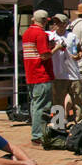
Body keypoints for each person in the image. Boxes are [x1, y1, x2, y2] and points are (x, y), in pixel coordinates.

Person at [22, 9, 55, 146]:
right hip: (41, 74)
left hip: (31, 74)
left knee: (35, 105)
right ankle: (38, 135)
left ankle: (37, 133)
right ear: (44, 21)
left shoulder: (26, 33)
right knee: (42, 106)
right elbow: (44, 55)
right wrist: (56, 48)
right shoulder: (40, 33)